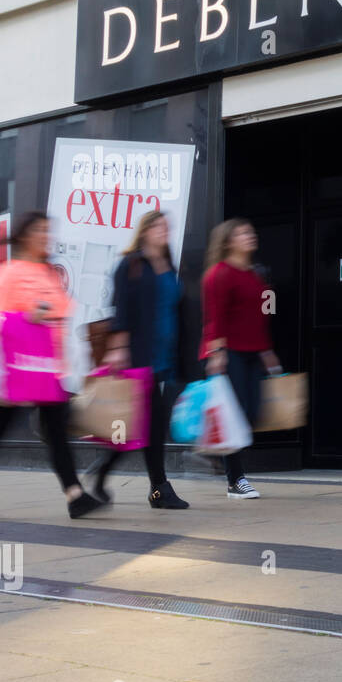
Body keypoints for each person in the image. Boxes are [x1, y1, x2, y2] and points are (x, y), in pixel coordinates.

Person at [0, 211, 105, 521]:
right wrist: (29, 317)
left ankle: (75, 495)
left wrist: (64, 366)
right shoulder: (7, 274)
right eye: (40, 231)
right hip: (15, 369)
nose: (46, 237)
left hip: (48, 370)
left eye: (49, 232)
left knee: (56, 430)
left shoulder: (49, 273)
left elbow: (58, 322)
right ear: (25, 237)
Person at [92, 210, 190, 509]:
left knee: (144, 425)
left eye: (166, 227)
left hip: (165, 357)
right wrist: (119, 348)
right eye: (157, 226)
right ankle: (159, 488)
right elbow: (121, 309)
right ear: (145, 231)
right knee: (148, 425)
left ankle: (104, 473)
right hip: (139, 356)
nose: (163, 231)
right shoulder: (131, 264)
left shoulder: (168, 266)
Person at [200, 218, 281, 500]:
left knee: (253, 412)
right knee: (235, 414)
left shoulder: (253, 275)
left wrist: (267, 352)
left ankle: (213, 448)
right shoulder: (219, 274)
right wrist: (217, 352)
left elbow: (258, 319)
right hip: (228, 352)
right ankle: (236, 480)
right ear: (228, 241)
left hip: (252, 351)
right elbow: (215, 316)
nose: (250, 235)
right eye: (242, 233)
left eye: (250, 231)